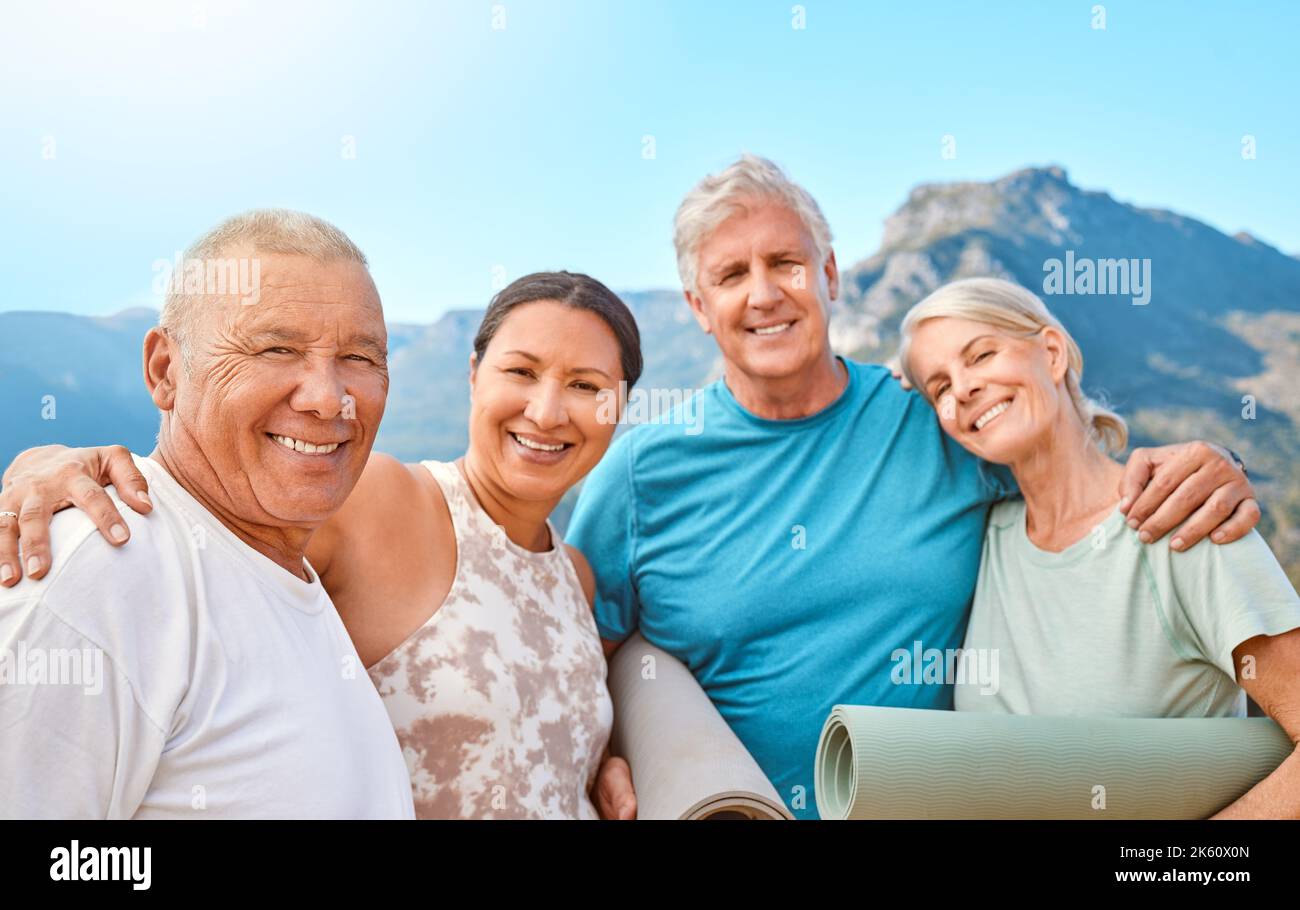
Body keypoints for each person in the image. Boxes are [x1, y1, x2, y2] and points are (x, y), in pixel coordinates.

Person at [563, 154, 1261, 819]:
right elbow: (579, 654)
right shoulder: (640, 475)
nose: (764, 293)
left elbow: (1069, 464)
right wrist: (607, 757)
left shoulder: (936, 421)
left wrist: (1215, 463)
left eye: (785, 263)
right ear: (698, 305)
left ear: (829, 274)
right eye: (731, 275)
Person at [0, 270, 642, 820]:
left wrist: (601, 766)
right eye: (521, 372)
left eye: (586, 386)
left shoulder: (576, 576)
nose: (548, 411)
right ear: (475, 376)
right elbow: (210, 502)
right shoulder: (381, 499)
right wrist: (50, 462)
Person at [0, 210, 415, 818]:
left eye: (360, 356)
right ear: (165, 371)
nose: (329, 397)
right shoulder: (99, 575)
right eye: (277, 347)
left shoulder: (281, 569)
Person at [899, 277, 1300, 818]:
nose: (964, 388)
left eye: (982, 354)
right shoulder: (983, 539)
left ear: (1052, 351)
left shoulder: (1180, 521)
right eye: (940, 387)